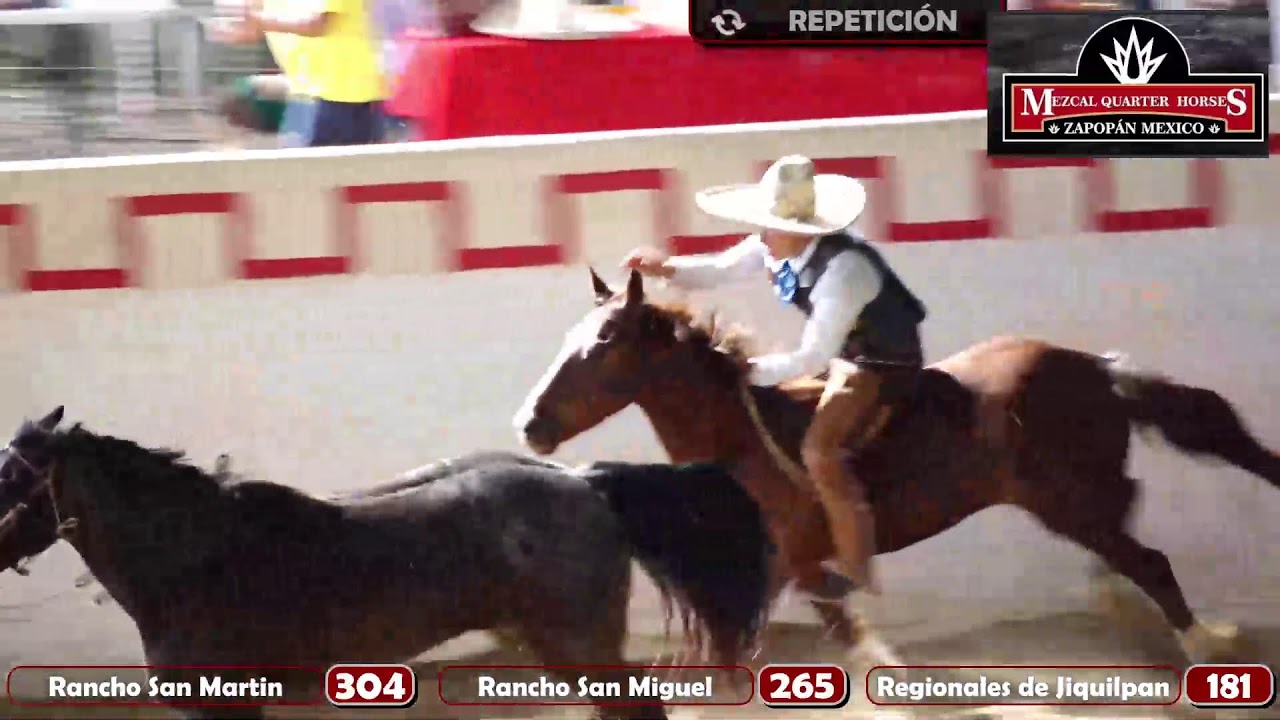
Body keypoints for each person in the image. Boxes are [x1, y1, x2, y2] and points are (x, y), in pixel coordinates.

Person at [620, 155, 927, 594]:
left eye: (772, 225)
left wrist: (743, 373)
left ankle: (856, 568)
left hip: (882, 363)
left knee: (820, 451)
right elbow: (721, 269)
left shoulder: (846, 271)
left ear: (803, 231)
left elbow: (814, 356)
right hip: (846, 357)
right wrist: (664, 267)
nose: (762, 233)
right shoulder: (773, 246)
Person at [243, 0, 388, 146]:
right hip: (315, 90)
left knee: (320, 158)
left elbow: (317, 25)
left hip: (344, 94)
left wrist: (262, 22)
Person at [211, 0, 319, 148]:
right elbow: (252, 29)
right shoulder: (267, 9)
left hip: (323, 87)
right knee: (241, 94)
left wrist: (262, 22)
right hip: (301, 82)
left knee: (248, 94)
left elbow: (315, 25)